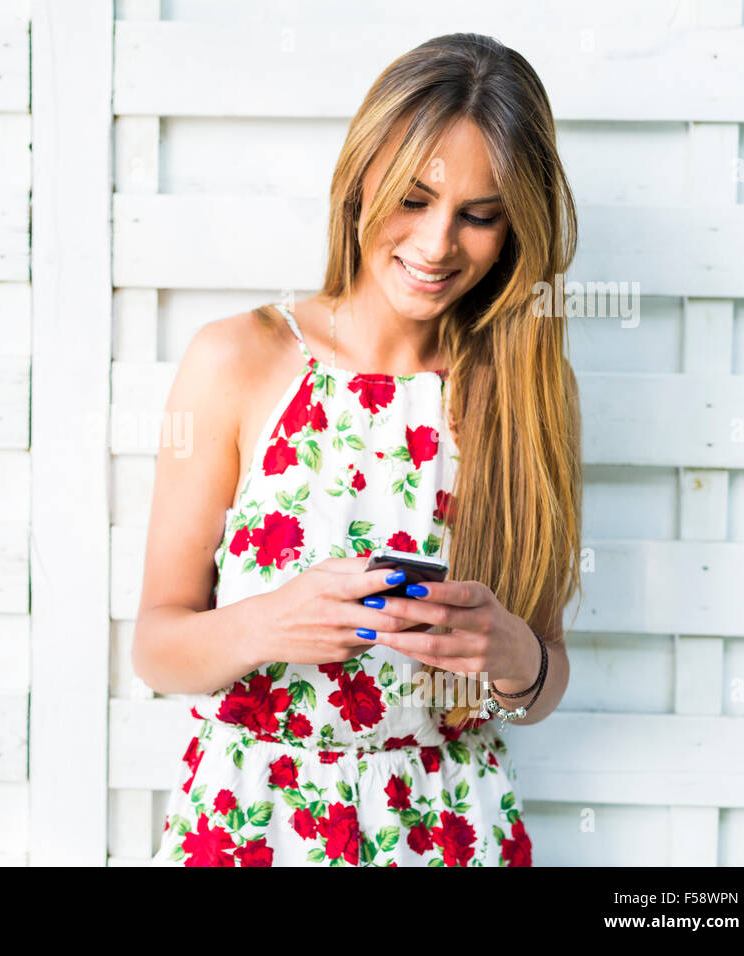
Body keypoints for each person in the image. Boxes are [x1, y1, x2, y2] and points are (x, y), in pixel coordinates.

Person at [132, 32, 584, 867]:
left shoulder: (523, 389)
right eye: (414, 199)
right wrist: (272, 622)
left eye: (479, 216)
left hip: (451, 818)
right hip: (256, 816)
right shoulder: (238, 358)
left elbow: (542, 679)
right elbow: (158, 647)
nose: (439, 244)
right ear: (361, 179)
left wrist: (517, 658)